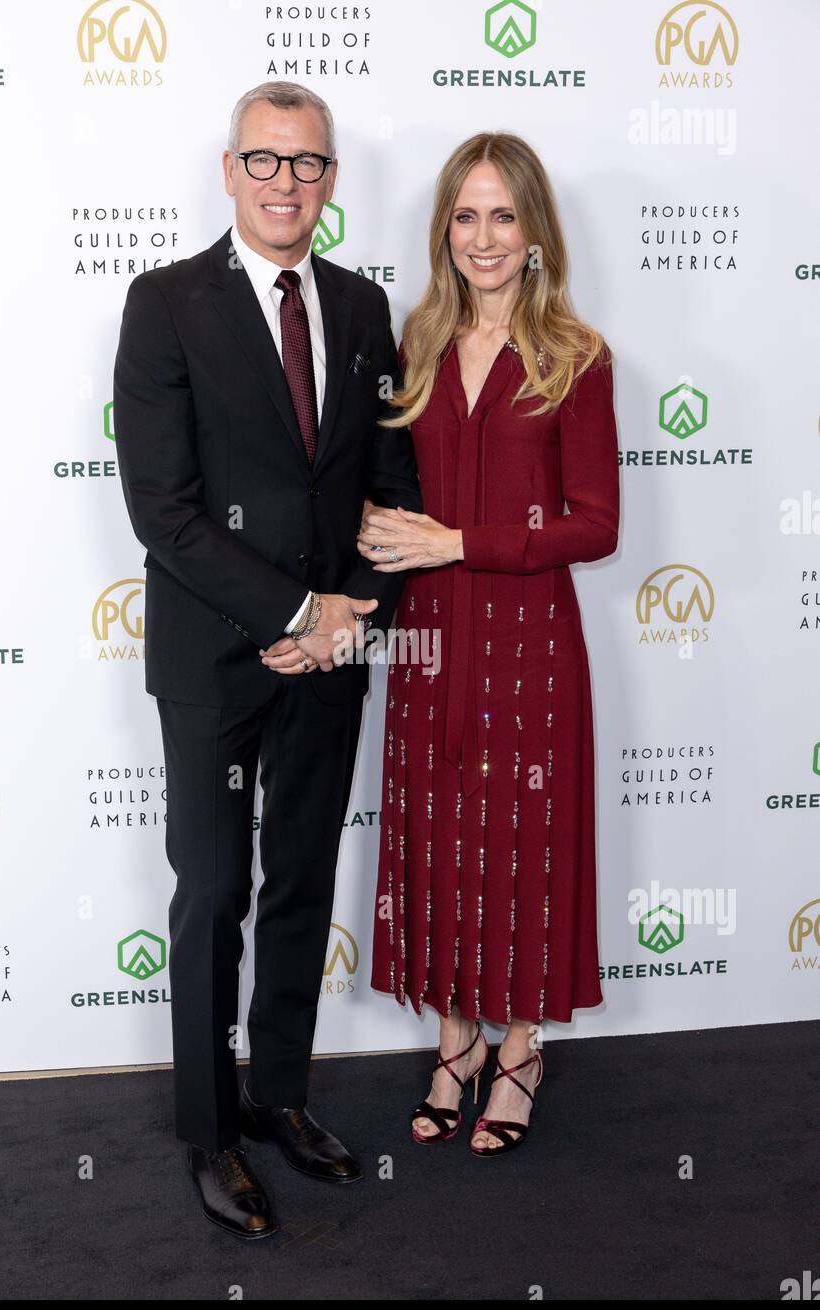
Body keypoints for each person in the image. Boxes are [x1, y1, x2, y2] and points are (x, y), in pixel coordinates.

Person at [113, 80, 422, 1237]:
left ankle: (280, 1095)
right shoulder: (163, 304)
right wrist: (291, 610)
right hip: (214, 658)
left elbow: (391, 488)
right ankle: (210, 1131)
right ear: (229, 170)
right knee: (211, 892)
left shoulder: (362, 306)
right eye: (264, 159)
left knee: (299, 877)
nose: (284, 181)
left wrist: (353, 616)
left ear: (330, 178)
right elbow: (163, 509)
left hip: (331, 653)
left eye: (306, 162)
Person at [358, 131, 619, 1155]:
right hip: (429, 639)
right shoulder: (416, 343)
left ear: (534, 231)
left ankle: (519, 1049)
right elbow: (385, 486)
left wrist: (460, 541)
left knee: (523, 848)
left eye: (503, 215)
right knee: (439, 841)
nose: (483, 237)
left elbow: (595, 526)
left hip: (528, 649)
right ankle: (454, 1040)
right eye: (465, 216)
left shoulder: (576, 355)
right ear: (444, 231)